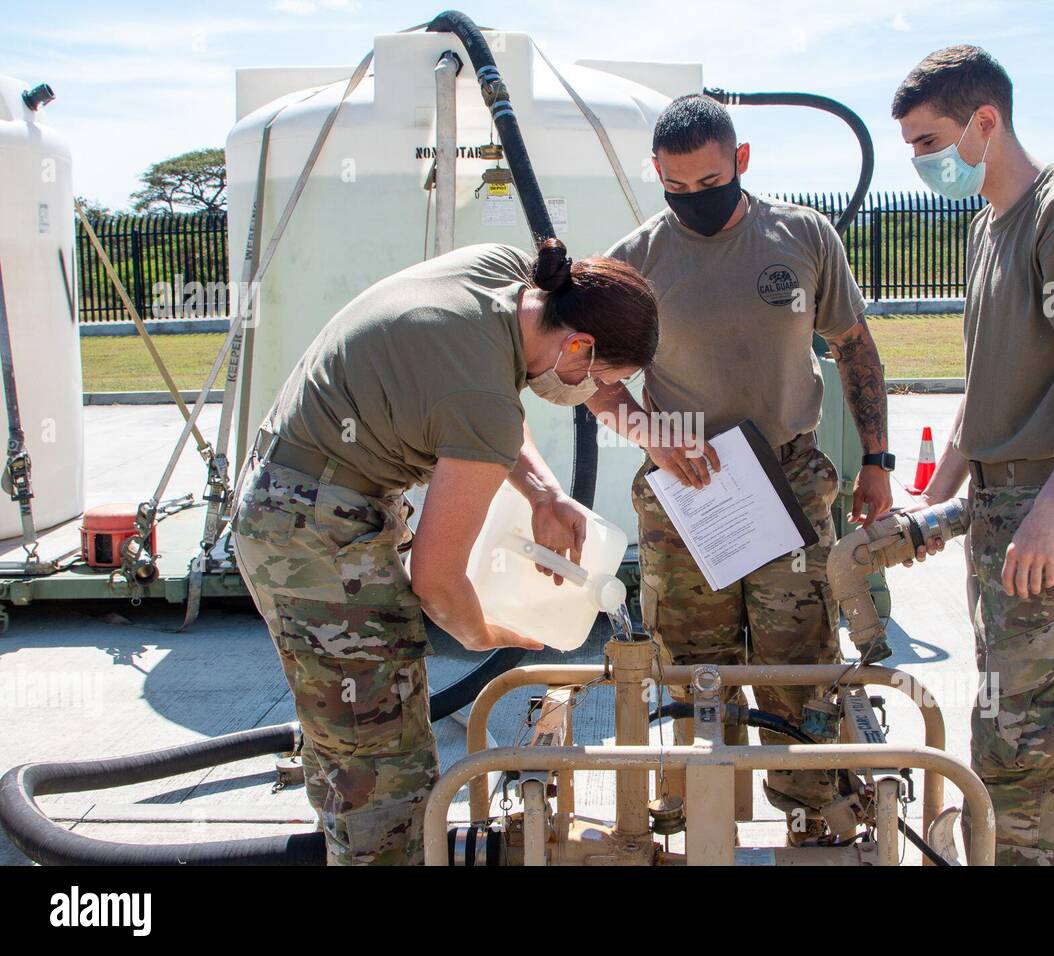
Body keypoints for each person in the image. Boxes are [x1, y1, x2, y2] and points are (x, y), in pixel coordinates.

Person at [229, 240, 658, 864]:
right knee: (385, 771)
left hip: (293, 497)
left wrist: (544, 494)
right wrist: (485, 633)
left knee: (344, 746)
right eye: (602, 382)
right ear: (578, 348)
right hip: (314, 535)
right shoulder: (483, 402)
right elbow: (436, 581)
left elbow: (492, 406)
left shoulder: (506, 274)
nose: (592, 396)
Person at [594, 95, 893, 843]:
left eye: (711, 180)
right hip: (687, 491)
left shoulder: (800, 236)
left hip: (787, 481)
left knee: (800, 657)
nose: (695, 198)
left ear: (742, 162)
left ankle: (813, 819)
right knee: (691, 662)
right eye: (677, 186)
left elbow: (855, 347)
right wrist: (648, 433)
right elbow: (586, 376)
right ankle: (701, 824)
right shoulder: (637, 260)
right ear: (657, 175)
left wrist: (879, 463)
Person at [891, 46, 1054, 865]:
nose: (921, 162)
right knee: (1003, 731)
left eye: (929, 142)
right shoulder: (986, 227)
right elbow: (981, 389)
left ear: (984, 123)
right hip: (1003, 513)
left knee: (1040, 743)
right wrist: (936, 498)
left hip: (1043, 515)